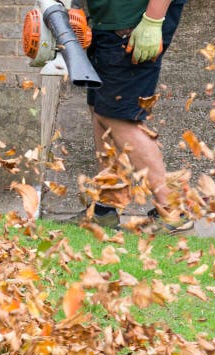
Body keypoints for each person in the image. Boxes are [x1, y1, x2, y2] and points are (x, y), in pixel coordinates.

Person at [68, 0, 193, 233]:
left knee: (119, 119)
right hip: (109, 26)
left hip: (133, 27)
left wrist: (153, 20)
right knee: (101, 112)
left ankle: (173, 211)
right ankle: (104, 209)